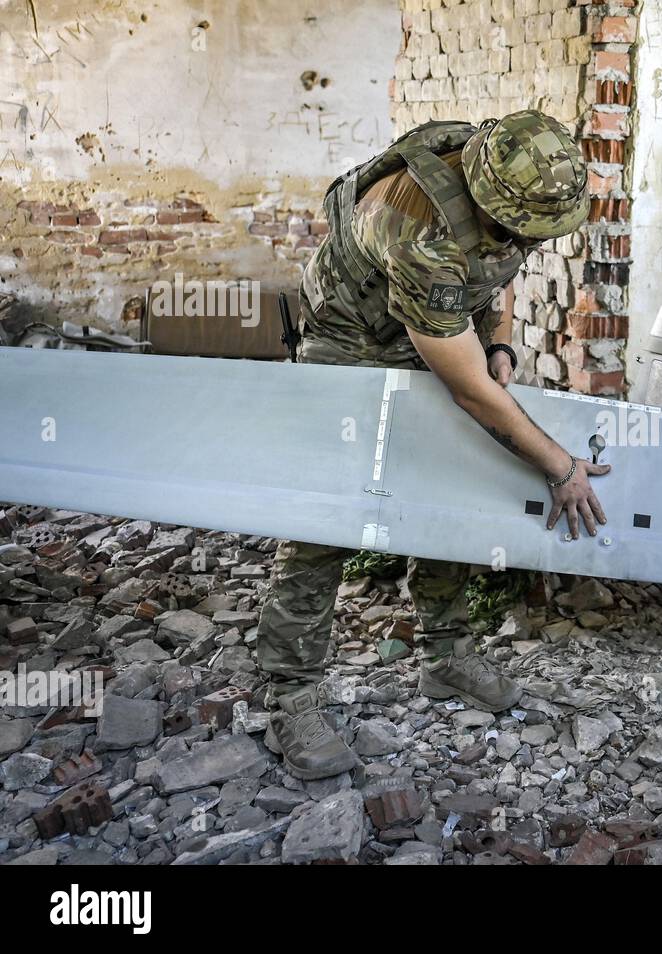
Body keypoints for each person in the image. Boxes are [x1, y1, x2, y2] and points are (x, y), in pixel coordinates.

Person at [256, 110, 610, 779]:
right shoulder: (418, 230)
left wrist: (498, 340)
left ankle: (446, 658)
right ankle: (289, 695)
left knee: (450, 485)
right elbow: (473, 393)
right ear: (485, 194)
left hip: (432, 315)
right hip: (350, 340)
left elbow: (502, 264)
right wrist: (562, 467)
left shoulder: (501, 160)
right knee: (325, 515)